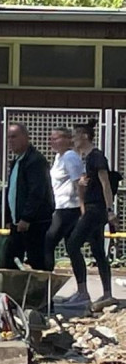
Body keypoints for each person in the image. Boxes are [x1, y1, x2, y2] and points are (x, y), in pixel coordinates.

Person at [64, 123, 115, 308]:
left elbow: (105, 183)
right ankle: (107, 293)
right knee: (98, 251)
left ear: (85, 136)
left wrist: (110, 210)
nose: (73, 140)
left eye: (76, 136)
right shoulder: (86, 158)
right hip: (92, 208)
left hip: (97, 209)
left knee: (72, 245)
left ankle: (82, 291)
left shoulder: (97, 156)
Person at [0, 122, 55, 272]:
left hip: (35, 223)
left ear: (25, 137)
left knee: (38, 260)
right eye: (9, 137)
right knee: (10, 260)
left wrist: (27, 218)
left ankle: (41, 293)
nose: (10, 141)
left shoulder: (35, 160)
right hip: (18, 223)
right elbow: (13, 191)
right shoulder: (17, 161)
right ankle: (11, 293)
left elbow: (37, 192)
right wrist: (9, 219)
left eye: (14, 137)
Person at [45, 127, 84, 273]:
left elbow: (78, 183)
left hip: (68, 208)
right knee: (72, 248)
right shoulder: (58, 157)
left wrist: (82, 208)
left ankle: (46, 281)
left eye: (56, 138)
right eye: (51, 138)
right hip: (60, 206)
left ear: (68, 140)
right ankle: (82, 289)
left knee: (48, 242)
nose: (52, 141)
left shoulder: (70, 157)